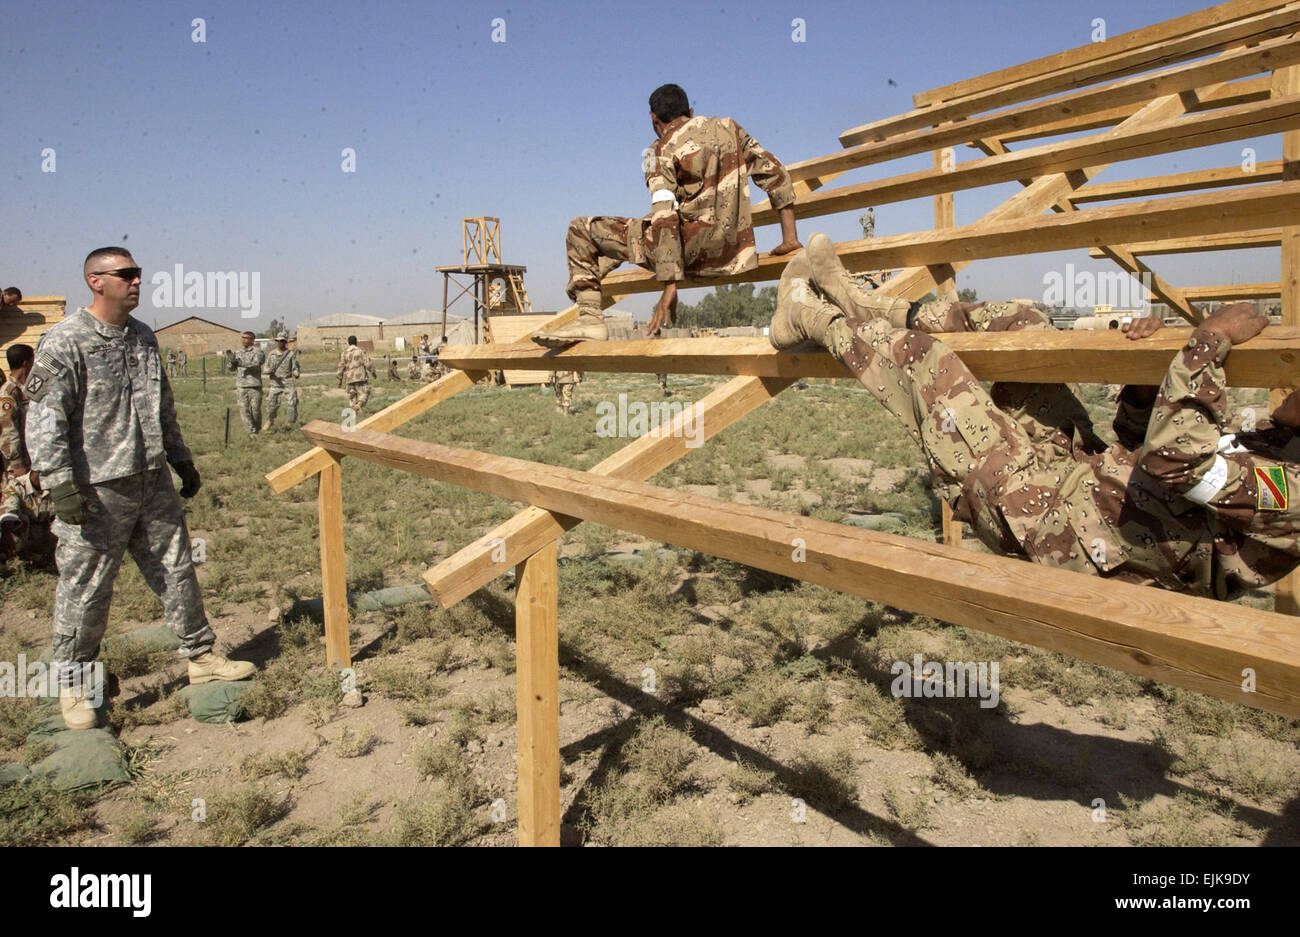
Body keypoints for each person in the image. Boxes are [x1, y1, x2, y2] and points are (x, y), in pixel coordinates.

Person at [769, 233, 1300, 600]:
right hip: (1084, 480)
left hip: (1053, 529)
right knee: (1025, 323)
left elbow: (1176, 465)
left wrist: (1208, 342)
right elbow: (1147, 454)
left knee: (926, 363)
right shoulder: (1280, 439)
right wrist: (1142, 387)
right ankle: (871, 308)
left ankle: (811, 318)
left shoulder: (1295, 490)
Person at [25, 247, 255, 729]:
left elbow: (162, 403)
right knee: (86, 591)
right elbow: (43, 421)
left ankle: (201, 658)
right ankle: (74, 685)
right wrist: (60, 484)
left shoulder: (143, 337)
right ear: (95, 281)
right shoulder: (64, 342)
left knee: (178, 570)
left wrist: (180, 457)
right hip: (95, 491)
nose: (136, 282)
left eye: (138, 274)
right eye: (125, 274)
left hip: (151, 480)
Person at [536, 83, 801, 346]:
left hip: (690, 260)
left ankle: (591, 318)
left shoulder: (656, 151)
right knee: (642, 225)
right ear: (691, 110)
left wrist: (670, 285)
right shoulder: (729, 127)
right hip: (735, 255)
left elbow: (665, 214)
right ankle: (601, 264)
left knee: (581, 229)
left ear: (653, 118)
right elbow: (774, 172)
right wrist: (790, 237)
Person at [0, 343, 54, 563]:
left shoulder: (24, 388)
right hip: (16, 463)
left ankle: (30, 549)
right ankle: (10, 552)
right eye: (32, 361)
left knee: (32, 504)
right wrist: (16, 463)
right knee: (13, 504)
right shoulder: (7, 393)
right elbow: (7, 430)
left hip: (29, 458)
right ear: (26, 362)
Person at [225, 331, 265, 435]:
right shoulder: (238, 352)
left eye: (246, 338)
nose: (243, 340)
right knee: (243, 409)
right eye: (242, 337)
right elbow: (232, 369)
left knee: (255, 410)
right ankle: (251, 432)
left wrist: (240, 363)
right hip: (241, 385)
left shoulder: (258, 351)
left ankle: (257, 428)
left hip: (254, 385)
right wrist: (232, 364)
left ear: (252, 340)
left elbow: (256, 363)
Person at [264, 331, 300, 429]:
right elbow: (265, 369)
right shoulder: (271, 354)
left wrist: (296, 373)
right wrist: (269, 371)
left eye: (283, 341)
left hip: (287, 381)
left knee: (292, 403)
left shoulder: (290, 354)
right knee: (271, 405)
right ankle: (270, 421)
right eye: (279, 341)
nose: (281, 343)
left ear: (286, 342)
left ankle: (291, 424)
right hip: (275, 382)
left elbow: (295, 368)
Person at [337, 334, 376, 412]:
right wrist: (373, 373)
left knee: (352, 396)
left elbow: (341, 367)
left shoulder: (344, 353)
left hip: (349, 378)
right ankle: (359, 405)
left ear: (348, 343)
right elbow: (368, 364)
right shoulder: (361, 351)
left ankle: (355, 411)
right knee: (364, 393)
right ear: (356, 342)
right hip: (360, 377)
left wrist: (340, 380)